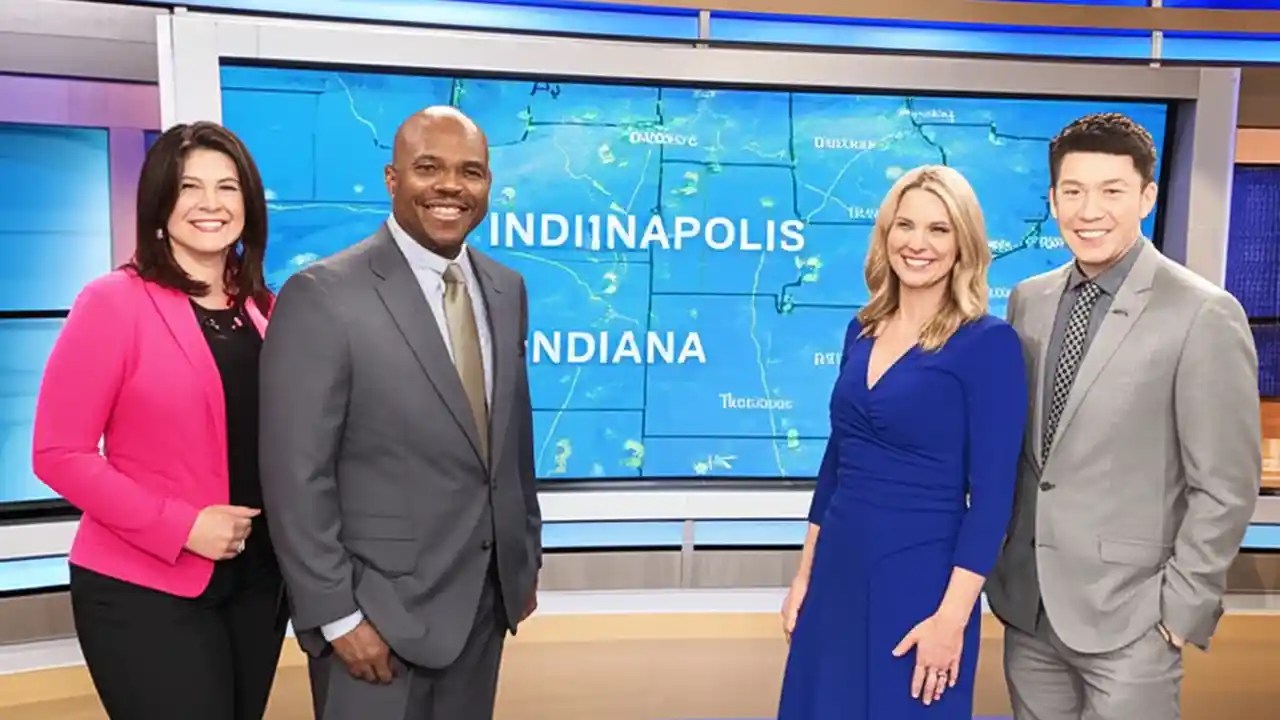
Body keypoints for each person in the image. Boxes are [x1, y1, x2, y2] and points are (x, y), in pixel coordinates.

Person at [258, 105, 542, 720]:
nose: (450, 187)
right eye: (428, 168)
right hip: (374, 624)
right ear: (392, 180)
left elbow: (510, 444)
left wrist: (523, 562)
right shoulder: (325, 296)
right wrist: (336, 614)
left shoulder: (505, 289)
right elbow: (294, 476)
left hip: (481, 609)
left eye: (471, 172)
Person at [986, 112, 1261, 720]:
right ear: (1053, 199)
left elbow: (1225, 483)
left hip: (1134, 620)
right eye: (1073, 191)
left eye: (1111, 191)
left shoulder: (1202, 313)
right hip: (1029, 610)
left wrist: (1178, 610)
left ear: (1146, 196)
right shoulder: (1028, 299)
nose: (1090, 211)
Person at [31, 121, 287, 719]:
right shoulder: (113, 302)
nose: (210, 204)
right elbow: (57, 454)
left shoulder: (263, 308)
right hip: (145, 588)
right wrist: (182, 526)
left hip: (257, 584)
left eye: (227, 187)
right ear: (158, 202)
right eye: (189, 186)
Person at [776, 164, 1027, 719]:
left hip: (920, 583)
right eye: (905, 225)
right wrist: (804, 578)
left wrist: (951, 619)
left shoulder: (988, 345)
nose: (918, 244)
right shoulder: (861, 330)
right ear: (885, 234)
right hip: (838, 571)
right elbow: (835, 465)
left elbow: (992, 502)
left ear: (963, 243)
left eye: (939, 229)